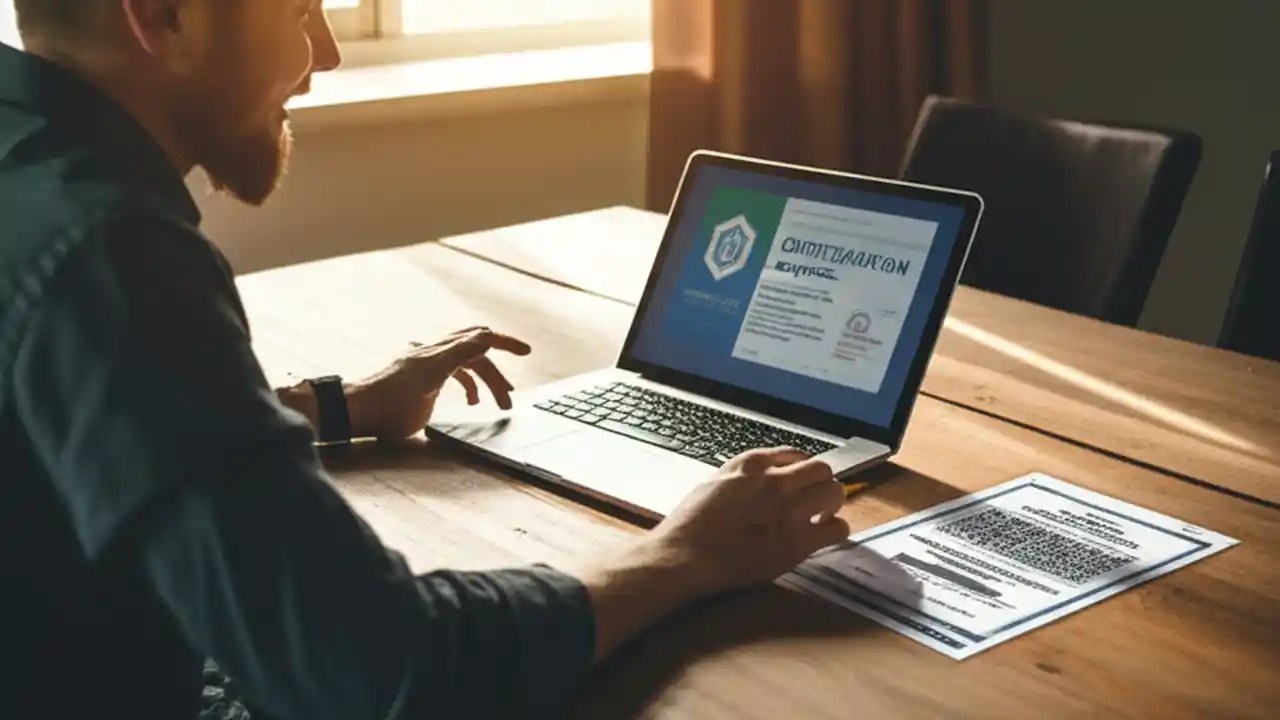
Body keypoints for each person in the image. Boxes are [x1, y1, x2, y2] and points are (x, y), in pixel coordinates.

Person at [0, 1, 851, 717]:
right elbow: (381, 669)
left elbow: (79, 429)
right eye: (299, 10)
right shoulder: (110, 252)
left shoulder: (27, 167)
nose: (325, 54)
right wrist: (681, 558)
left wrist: (331, 406)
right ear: (161, 13)